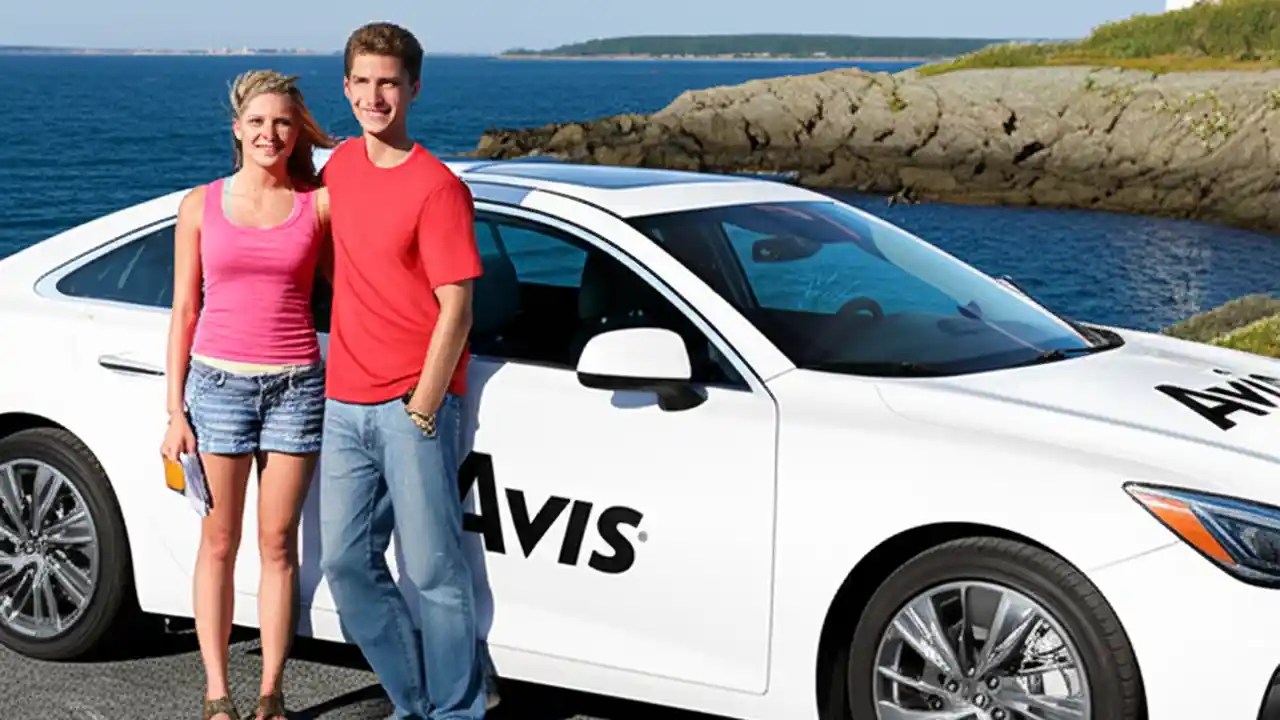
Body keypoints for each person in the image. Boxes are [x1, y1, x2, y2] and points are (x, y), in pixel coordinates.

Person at [316, 21, 490, 720]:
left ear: (414, 88)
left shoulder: (437, 187)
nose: (375, 95)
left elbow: (459, 307)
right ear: (346, 87)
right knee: (344, 564)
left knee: (433, 570)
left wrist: (423, 403)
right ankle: (414, 702)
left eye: (389, 82)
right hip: (342, 399)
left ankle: (456, 710)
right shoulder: (338, 168)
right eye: (362, 81)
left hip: (410, 405)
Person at [161, 69, 336, 720]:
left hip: (296, 388)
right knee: (218, 543)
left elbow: (353, 292)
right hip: (217, 388)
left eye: (283, 122)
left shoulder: (318, 205)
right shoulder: (200, 205)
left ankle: (271, 693)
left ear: (297, 131)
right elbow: (185, 310)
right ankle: (216, 693)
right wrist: (175, 412)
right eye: (258, 122)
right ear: (237, 129)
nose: (270, 133)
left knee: (278, 544)